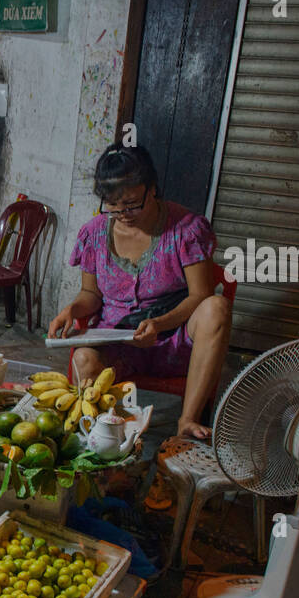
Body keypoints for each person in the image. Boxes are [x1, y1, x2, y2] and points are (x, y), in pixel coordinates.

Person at [47, 143, 230, 440]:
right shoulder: (94, 233)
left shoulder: (185, 229)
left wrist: (159, 324)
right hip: (119, 341)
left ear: (152, 189)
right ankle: (107, 437)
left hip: (175, 340)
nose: (123, 214)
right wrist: (72, 310)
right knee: (83, 359)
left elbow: (200, 295)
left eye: (132, 204)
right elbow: (90, 294)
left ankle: (187, 420)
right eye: (113, 206)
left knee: (216, 307)